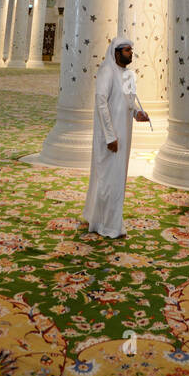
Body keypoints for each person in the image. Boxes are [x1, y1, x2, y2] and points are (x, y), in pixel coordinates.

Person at [82, 35, 150, 239]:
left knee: (117, 178)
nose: (131, 54)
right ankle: (107, 225)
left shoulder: (128, 75)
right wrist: (110, 136)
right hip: (109, 137)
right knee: (108, 179)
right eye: (127, 50)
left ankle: (103, 219)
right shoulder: (106, 72)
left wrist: (137, 113)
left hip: (124, 135)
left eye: (131, 50)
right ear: (117, 52)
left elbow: (129, 102)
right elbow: (101, 103)